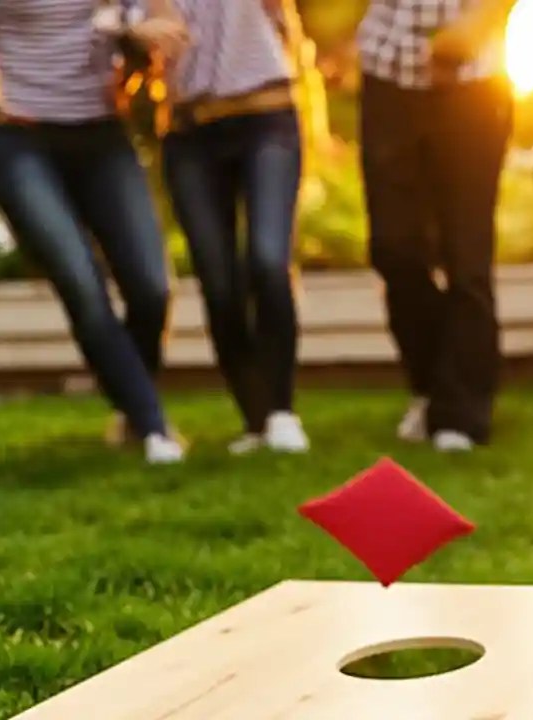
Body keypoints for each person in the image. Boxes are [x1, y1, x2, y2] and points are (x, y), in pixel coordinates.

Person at [0, 0, 188, 463]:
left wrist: (136, 36)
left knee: (152, 288)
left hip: (100, 136)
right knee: (82, 282)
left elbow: (162, 25)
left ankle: (133, 410)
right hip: (18, 138)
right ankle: (152, 425)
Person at [357, 0, 519, 452]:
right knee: (394, 248)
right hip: (389, 75)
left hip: (474, 83)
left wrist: (478, 22)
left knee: (466, 254)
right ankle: (431, 385)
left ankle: (462, 412)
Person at [152, 0, 311, 454]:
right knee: (218, 281)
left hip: (267, 117)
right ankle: (255, 419)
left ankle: (282, 412)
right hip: (189, 135)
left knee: (267, 259)